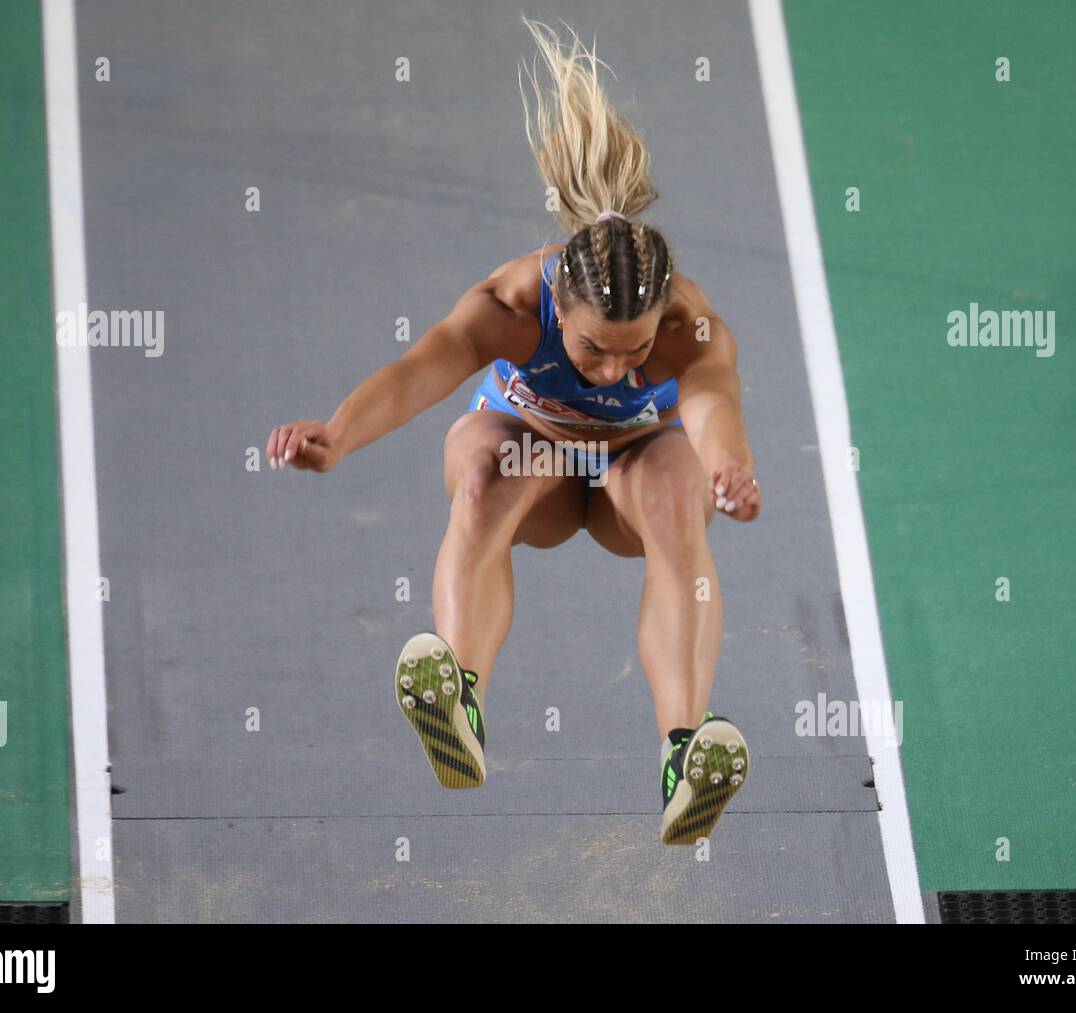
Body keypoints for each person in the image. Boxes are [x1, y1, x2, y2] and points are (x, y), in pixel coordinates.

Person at [266, 17, 760, 845]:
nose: (614, 368)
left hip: (631, 468)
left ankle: (684, 751)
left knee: (678, 502)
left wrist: (729, 468)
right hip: (526, 452)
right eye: (594, 348)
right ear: (555, 307)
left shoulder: (689, 324)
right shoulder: (508, 304)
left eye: (635, 349)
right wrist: (340, 433)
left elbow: (711, 404)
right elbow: (422, 372)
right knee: (488, 473)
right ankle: (458, 694)